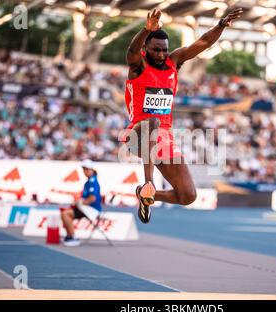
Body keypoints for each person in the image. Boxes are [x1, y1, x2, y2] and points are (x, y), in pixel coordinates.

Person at [121, 8, 243, 223]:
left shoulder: (173, 62)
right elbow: (130, 50)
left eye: (164, 50)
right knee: (153, 121)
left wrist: (221, 24)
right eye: (156, 50)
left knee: (187, 195)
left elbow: (203, 43)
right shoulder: (137, 66)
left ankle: (147, 195)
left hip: (164, 139)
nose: (161, 54)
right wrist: (145, 29)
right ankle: (149, 182)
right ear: (146, 48)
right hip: (137, 134)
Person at [60, 159, 102, 246]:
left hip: (92, 210)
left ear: (90, 169)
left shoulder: (92, 182)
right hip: (86, 209)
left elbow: (92, 198)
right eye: (83, 169)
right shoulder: (88, 182)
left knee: (66, 214)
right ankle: (69, 236)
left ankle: (73, 237)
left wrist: (79, 203)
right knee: (65, 212)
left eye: (86, 169)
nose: (84, 171)